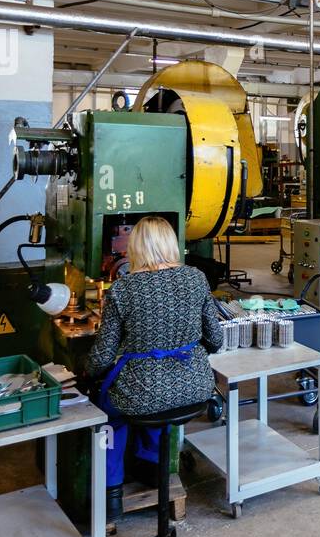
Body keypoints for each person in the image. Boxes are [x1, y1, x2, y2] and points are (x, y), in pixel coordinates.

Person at [86, 215, 223, 520]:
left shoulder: (123, 290)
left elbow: (103, 355)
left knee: (110, 413)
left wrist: (88, 373)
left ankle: (111, 493)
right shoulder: (196, 279)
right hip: (194, 388)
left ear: (135, 248)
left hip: (142, 393)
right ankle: (153, 468)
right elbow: (216, 339)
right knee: (160, 399)